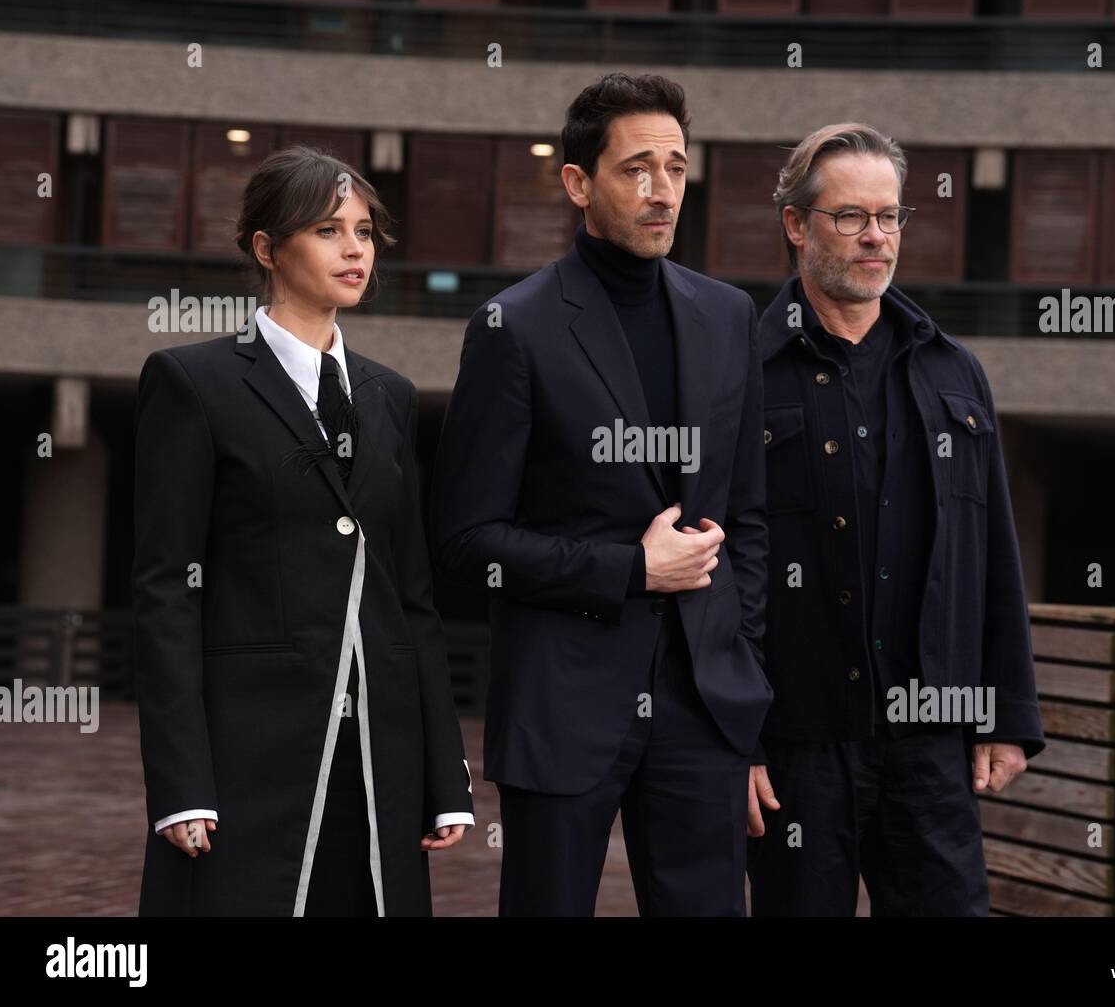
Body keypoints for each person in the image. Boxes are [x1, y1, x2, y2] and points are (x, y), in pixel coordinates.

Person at [431, 73, 771, 916]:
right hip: (562, 706)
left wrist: (739, 658)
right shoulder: (515, 327)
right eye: (636, 169)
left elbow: (752, 518)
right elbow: (467, 543)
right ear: (579, 182)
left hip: (705, 706)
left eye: (677, 167)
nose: (662, 191)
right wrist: (629, 569)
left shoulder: (730, 316)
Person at [133, 145, 473, 916]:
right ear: (267, 248)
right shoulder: (195, 382)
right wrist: (181, 780)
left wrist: (443, 776)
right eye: (328, 230)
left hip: (379, 759)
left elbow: (411, 596)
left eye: (365, 231)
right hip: (247, 757)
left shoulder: (389, 394)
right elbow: (166, 592)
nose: (356, 249)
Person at [747, 122, 1045, 916]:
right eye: (849, 216)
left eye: (889, 215)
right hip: (793, 744)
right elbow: (721, 567)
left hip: (931, 743)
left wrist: (1006, 715)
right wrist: (733, 736)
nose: (876, 235)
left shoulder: (952, 369)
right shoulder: (739, 368)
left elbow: (993, 554)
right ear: (796, 225)